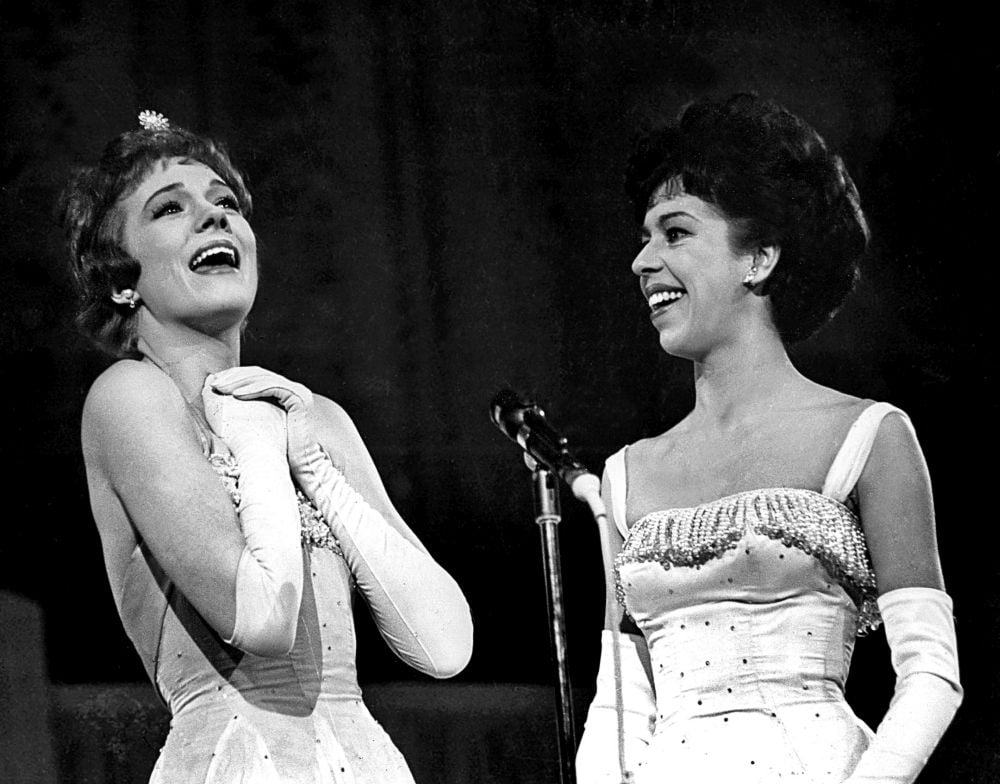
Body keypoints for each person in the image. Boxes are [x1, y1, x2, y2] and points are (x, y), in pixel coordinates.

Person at [61, 110, 474, 783]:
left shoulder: (317, 418)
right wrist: (256, 440)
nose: (214, 217)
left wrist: (314, 466)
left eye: (225, 203)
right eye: (171, 208)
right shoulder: (128, 397)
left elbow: (444, 646)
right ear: (119, 280)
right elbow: (262, 621)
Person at [575, 94, 962, 783]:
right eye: (645, 236)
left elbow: (931, 673)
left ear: (758, 257)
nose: (642, 261)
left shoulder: (869, 435)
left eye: (675, 233)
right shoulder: (625, 475)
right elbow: (618, 705)